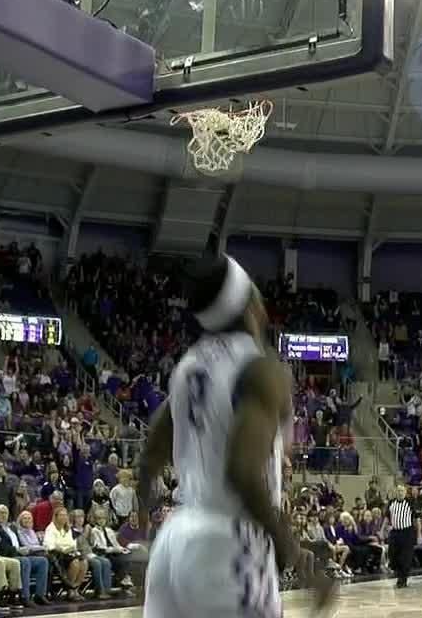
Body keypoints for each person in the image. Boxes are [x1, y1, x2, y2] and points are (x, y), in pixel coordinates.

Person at [137, 255, 336, 618]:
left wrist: (142, 525)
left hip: (174, 542)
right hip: (230, 545)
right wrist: (295, 557)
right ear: (249, 305)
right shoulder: (261, 369)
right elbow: (243, 472)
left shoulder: (188, 367)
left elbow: (150, 455)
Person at [386, 485, 416, 588]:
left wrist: (419, 534)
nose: (400, 493)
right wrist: (382, 530)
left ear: (405, 492)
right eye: (398, 491)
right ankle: (399, 574)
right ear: (395, 492)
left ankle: (403, 579)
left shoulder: (410, 502)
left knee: (405, 557)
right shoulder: (391, 503)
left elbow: (417, 518)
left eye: (402, 491)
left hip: (407, 532)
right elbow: (387, 517)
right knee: (393, 555)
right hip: (395, 532)